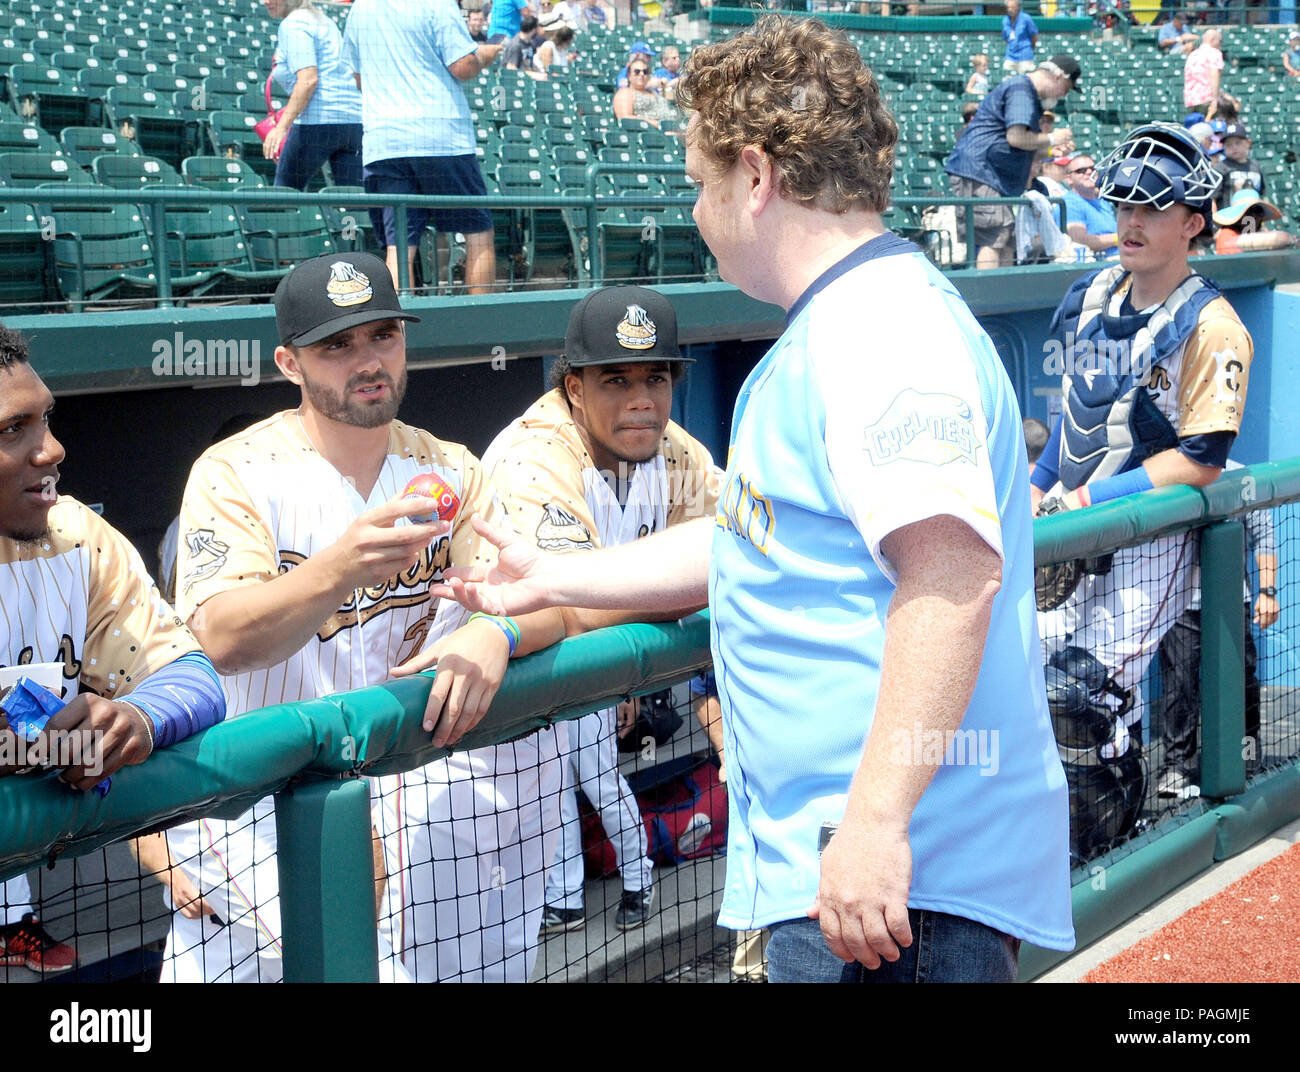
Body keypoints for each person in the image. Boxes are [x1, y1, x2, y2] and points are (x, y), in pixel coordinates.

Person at [437, 15, 1076, 983]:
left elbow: (951, 577)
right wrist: (553, 574)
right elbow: (748, 540)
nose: (696, 209)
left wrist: (874, 821)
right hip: (863, 885)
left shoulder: (878, 325)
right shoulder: (842, 324)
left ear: (756, 176)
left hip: (889, 890)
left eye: (700, 182)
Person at [164, 252, 564, 982]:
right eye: (337, 345)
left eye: (383, 335)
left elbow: (548, 604)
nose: (368, 360)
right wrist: (338, 568)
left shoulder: (450, 469)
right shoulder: (237, 472)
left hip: (407, 789)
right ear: (289, 362)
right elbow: (221, 635)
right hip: (261, 795)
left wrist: (494, 629)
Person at [483, 285, 720, 935]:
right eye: (616, 379)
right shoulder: (537, 456)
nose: (642, 398)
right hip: (478, 728)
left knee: (583, 785)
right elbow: (571, 602)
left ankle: (624, 883)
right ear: (575, 388)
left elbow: (747, 542)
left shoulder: (668, 447)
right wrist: (688, 586)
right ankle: (569, 895)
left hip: (572, 679)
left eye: (657, 376)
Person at [0, 324, 227, 974]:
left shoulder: (73, 537)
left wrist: (134, 717)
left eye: (45, 419)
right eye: (13, 429)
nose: (52, 449)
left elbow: (195, 678)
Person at [1030, 124, 1252, 758]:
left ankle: (1112, 840)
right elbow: (1076, 420)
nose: (1131, 221)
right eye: (1124, 204)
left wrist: (1090, 499)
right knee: (1029, 686)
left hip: (1146, 539)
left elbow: (1203, 461)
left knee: (1086, 697)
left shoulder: (1211, 325)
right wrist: (1036, 491)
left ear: (1191, 222)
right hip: (1069, 530)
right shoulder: (1089, 295)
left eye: (1152, 208)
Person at [343, 0, 503, 293]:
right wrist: (486, 55)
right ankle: (483, 328)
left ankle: (395, 337)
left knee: (399, 247)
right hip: (440, 137)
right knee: (478, 233)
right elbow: (463, 65)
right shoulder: (436, 3)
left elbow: (359, 79)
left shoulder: (360, 8)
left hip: (385, 140)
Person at [1157, 461, 1277, 800]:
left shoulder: (1242, 477)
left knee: (1243, 681)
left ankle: (1247, 754)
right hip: (1181, 606)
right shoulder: (1170, 477)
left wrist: (1267, 593)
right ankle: (1177, 766)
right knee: (1179, 687)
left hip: (1230, 602)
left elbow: (1263, 533)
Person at [945, 55, 1079, 268]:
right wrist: (1054, 137)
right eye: (1067, 87)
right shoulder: (1021, 89)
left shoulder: (1027, 93)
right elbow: (1016, 138)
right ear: (1058, 76)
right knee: (994, 236)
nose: (1064, 95)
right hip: (980, 171)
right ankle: (987, 297)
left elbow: (1020, 148)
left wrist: (1052, 149)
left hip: (991, 174)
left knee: (1007, 239)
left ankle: (1004, 295)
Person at [262, 0, 364, 190]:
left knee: (284, 195)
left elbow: (308, 80)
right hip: (354, 122)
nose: (265, 1)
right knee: (354, 200)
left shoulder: (293, 23)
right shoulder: (324, 20)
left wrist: (281, 128)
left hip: (318, 121)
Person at [1061, 154, 1119, 259]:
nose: (1089, 172)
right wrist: (1118, 238)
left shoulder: (1102, 201)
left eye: (1093, 169)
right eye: (1081, 171)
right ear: (1069, 179)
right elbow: (1079, 240)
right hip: (1098, 266)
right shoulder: (1069, 203)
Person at [1213, 189, 1298, 254]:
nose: (1253, 216)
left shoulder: (1259, 231)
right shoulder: (1226, 234)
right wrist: (1292, 240)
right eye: (1248, 211)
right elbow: (1279, 239)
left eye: (1258, 211)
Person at [1213, 123, 1265, 211]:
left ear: (1248, 143)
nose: (1234, 147)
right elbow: (1212, 198)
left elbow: (1262, 194)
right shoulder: (1220, 168)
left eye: (1238, 143)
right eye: (1229, 144)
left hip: (1252, 218)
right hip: (1229, 218)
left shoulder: (1255, 166)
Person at [613, 57, 677, 128]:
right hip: (653, 133)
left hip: (673, 128)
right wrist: (658, 125)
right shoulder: (625, 93)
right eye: (637, 72)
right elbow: (625, 119)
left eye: (645, 71)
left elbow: (673, 98)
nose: (642, 74)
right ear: (629, 76)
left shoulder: (653, 91)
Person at [1184, 29, 1226, 120]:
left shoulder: (1192, 55)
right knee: (1208, 131)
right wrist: (1215, 100)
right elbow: (1214, 75)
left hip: (1191, 101)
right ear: (1212, 39)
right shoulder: (1214, 53)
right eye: (1220, 41)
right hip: (1206, 100)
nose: (1220, 44)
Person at [1002, 0, 1039, 76]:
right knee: (1006, 78)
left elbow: (1034, 35)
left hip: (1025, 55)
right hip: (1010, 56)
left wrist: (1030, 48)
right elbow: (1005, 38)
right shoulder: (1005, 20)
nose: (1010, 10)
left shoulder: (1026, 18)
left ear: (1018, 7)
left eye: (1012, 7)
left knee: (1027, 80)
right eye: (1008, 7)